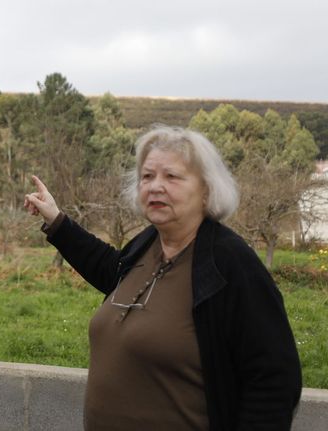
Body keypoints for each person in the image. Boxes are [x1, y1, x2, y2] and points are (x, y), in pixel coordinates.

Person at [24, 125, 302, 430]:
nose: (156, 186)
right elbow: (112, 271)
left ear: (206, 189)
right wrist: (57, 220)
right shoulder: (148, 244)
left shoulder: (229, 263)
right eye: (147, 176)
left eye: (172, 176)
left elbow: (275, 380)